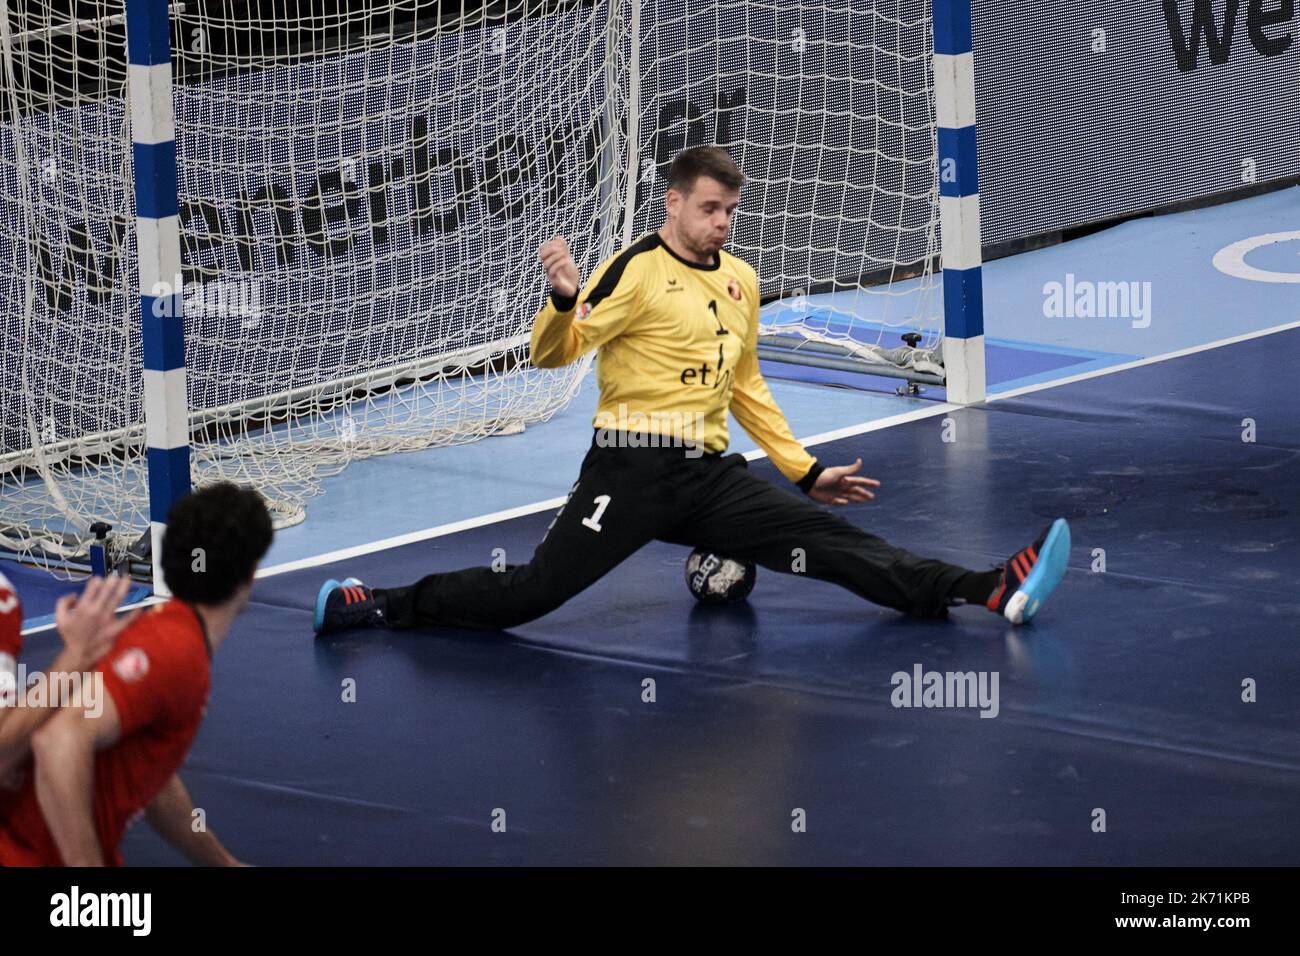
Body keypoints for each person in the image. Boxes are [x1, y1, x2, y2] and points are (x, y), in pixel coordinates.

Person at [313, 145, 1069, 637]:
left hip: (711, 479)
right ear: (672, 203)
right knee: (534, 594)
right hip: (628, 472)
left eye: (732, 211)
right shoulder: (633, 270)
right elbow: (555, 355)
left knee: (842, 548)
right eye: (710, 208)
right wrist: (561, 298)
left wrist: (804, 470)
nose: (722, 223)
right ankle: (377, 603)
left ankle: (990, 587)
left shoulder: (742, 282)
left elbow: (747, 387)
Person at [0, 482, 273, 866]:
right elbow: (57, 741)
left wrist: (222, 863)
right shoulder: (176, 651)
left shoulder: (172, 636)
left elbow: (153, 778)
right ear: (251, 572)